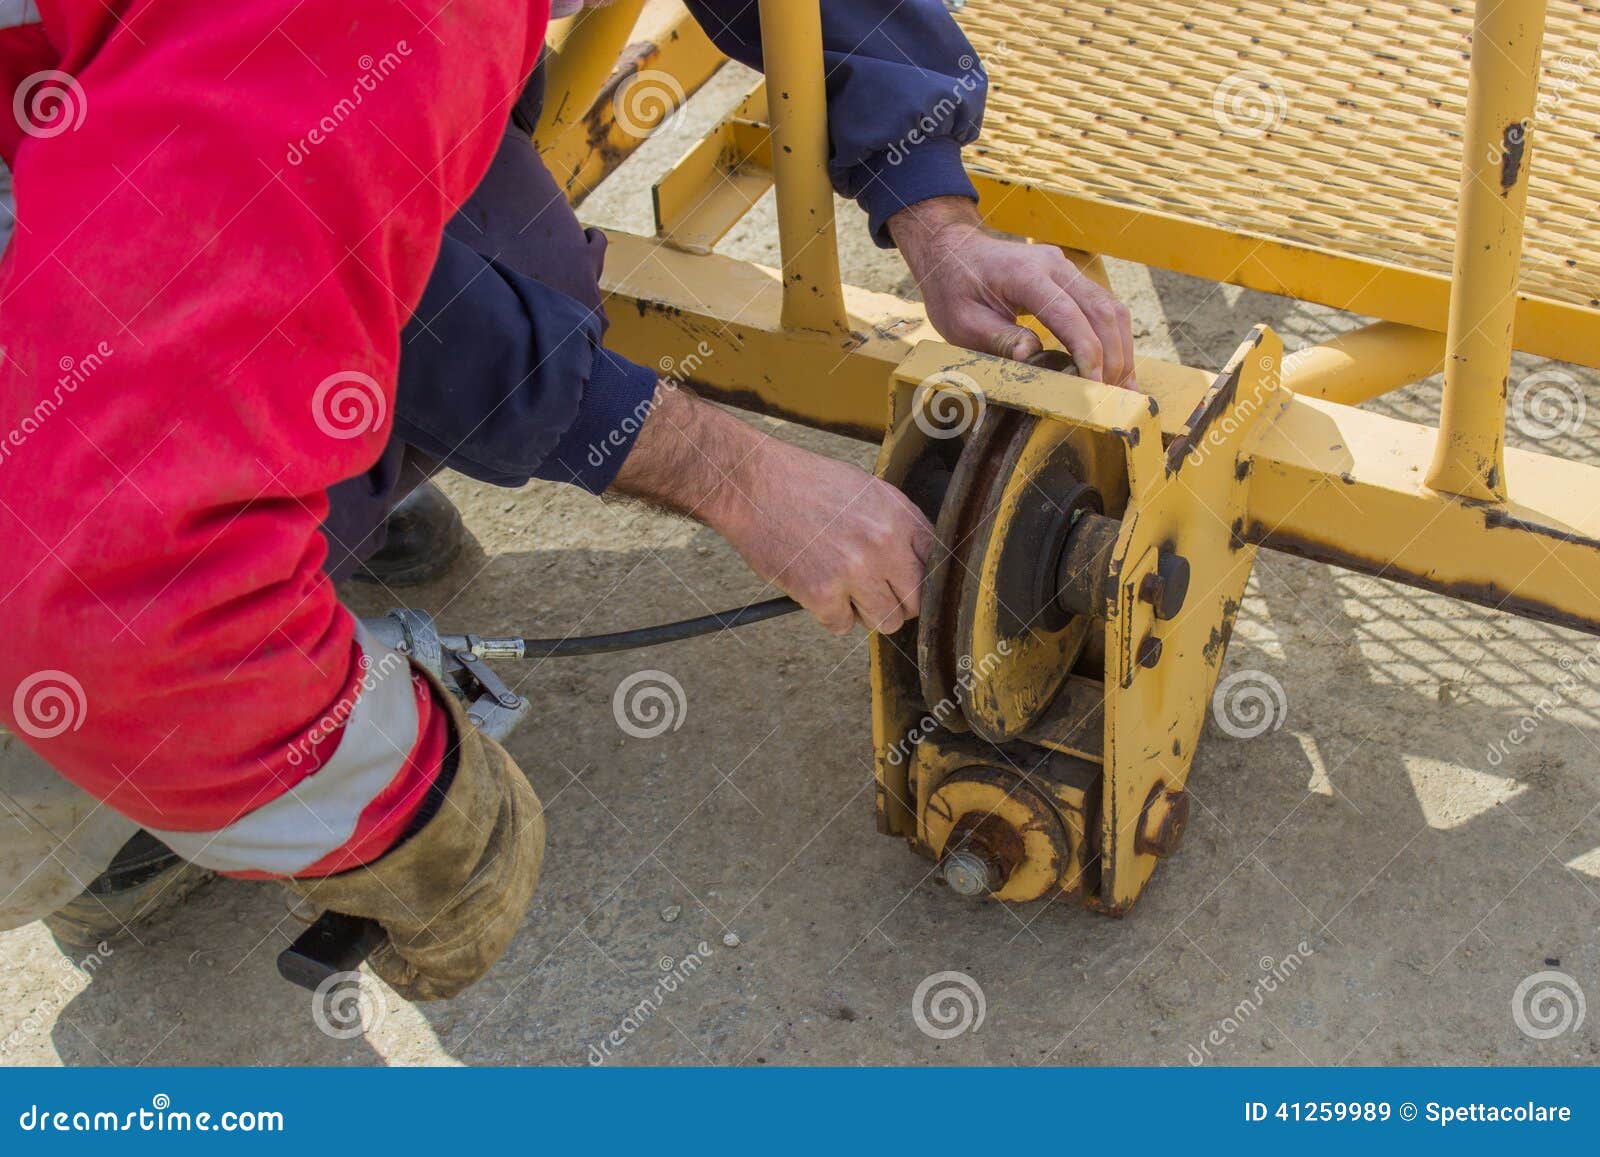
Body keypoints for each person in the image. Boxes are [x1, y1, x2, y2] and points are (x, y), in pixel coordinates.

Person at [0, 0, 1134, 998]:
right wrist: (399, 813)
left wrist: (933, 209)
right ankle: (99, 811)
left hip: (181, 117)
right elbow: (115, 581)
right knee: (103, 611)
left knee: (491, 243)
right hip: (57, 291)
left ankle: (314, 499)